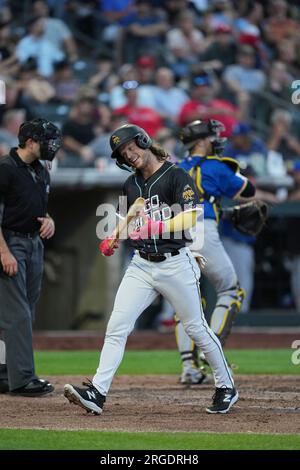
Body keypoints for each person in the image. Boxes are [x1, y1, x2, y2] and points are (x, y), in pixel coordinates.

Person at [64, 124, 238, 415]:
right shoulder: (130, 184)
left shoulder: (175, 174)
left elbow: (191, 218)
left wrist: (159, 225)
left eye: (132, 147)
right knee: (117, 327)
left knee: (196, 328)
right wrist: (114, 237)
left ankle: (226, 386)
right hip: (142, 264)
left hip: (175, 262)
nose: (129, 154)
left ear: (144, 141)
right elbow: (129, 215)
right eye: (123, 153)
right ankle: (97, 391)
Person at [176, 119, 255, 384]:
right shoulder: (214, 165)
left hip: (174, 232)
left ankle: (189, 366)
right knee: (230, 290)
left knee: (187, 299)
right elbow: (248, 189)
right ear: (200, 142)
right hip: (201, 229)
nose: (216, 140)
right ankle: (213, 355)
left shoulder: (174, 168)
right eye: (211, 137)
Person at [0, 118, 62, 396]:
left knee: (21, 312)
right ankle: (23, 379)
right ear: (30, 142)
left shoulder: (41, 169)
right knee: (18, 314)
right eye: (47, 140)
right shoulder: (5, 168)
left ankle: (4, 372)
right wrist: (3, 251)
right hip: (9, 242)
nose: (53, 145)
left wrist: (48, 219)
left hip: (34, 243)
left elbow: (33, 206)